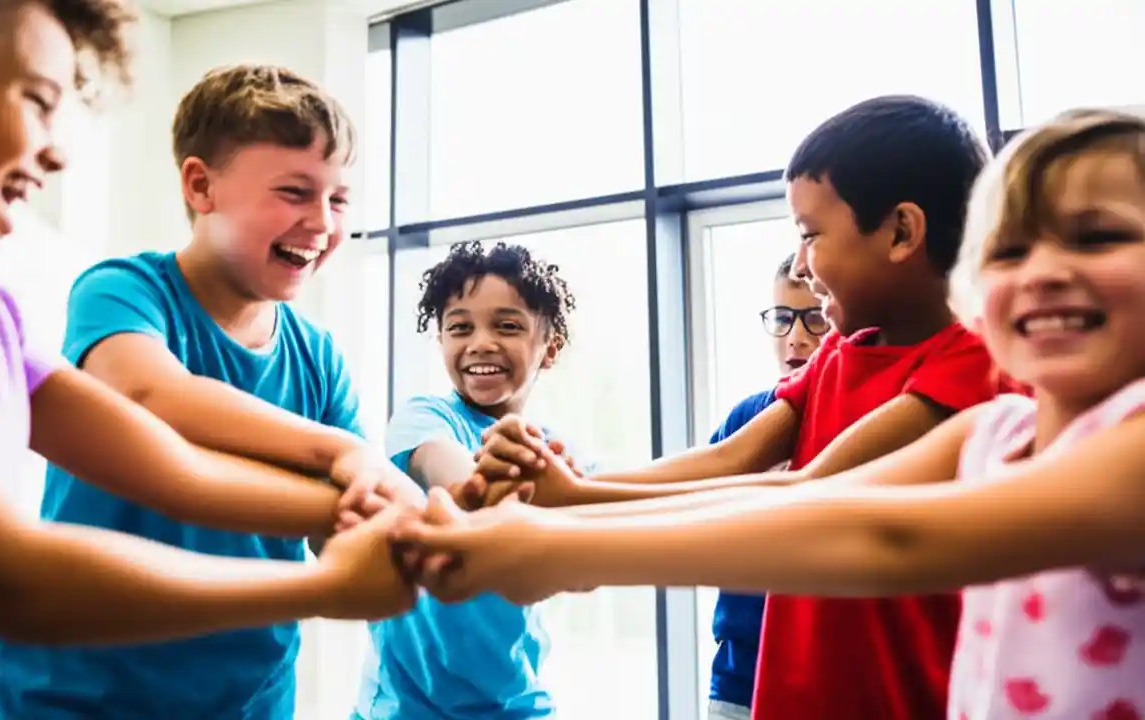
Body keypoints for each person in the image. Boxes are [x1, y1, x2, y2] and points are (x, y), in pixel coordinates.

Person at [396, 107, 1145, 720]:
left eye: (1099, 237)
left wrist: (562, 541)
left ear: (904, 232)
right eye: (1008, 251)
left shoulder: (1111, 439)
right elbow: (750, 471)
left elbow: (865, 525)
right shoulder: (988, 432)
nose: (1043, 271)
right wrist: (570, 504)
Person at [0, 3, 412, 718]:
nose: (58, 152)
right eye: (37, 102)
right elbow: (10, 578)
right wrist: (324, 584)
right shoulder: (123, 291)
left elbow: (174, 470)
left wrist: (406, 515)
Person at [0, 63, 424, 719]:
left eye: (338, 199)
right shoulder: (124, 290)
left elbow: (345, 526)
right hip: (80, 697)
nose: (322, 222)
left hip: (249, 703)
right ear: (201, 186)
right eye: (294, 191)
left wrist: (414, 520)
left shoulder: (319, 358)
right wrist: (338, 451)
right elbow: (145, 393)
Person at [355, 240, 578, 719]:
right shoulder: (424, 418)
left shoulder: (559, 452)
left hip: (517, 705)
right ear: (441, 341)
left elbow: (608, 519)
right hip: (406, 707)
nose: (480, 342)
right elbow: (463, 485)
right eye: (459, 327)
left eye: (508, 326)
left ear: (549, 349)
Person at [707, 252, 826, 720]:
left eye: (814, 318)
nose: (795, 337)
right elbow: (696, 513)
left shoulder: (871, 414)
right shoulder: (746, 418)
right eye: (781, 319)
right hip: (742, 678)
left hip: (826, 676)